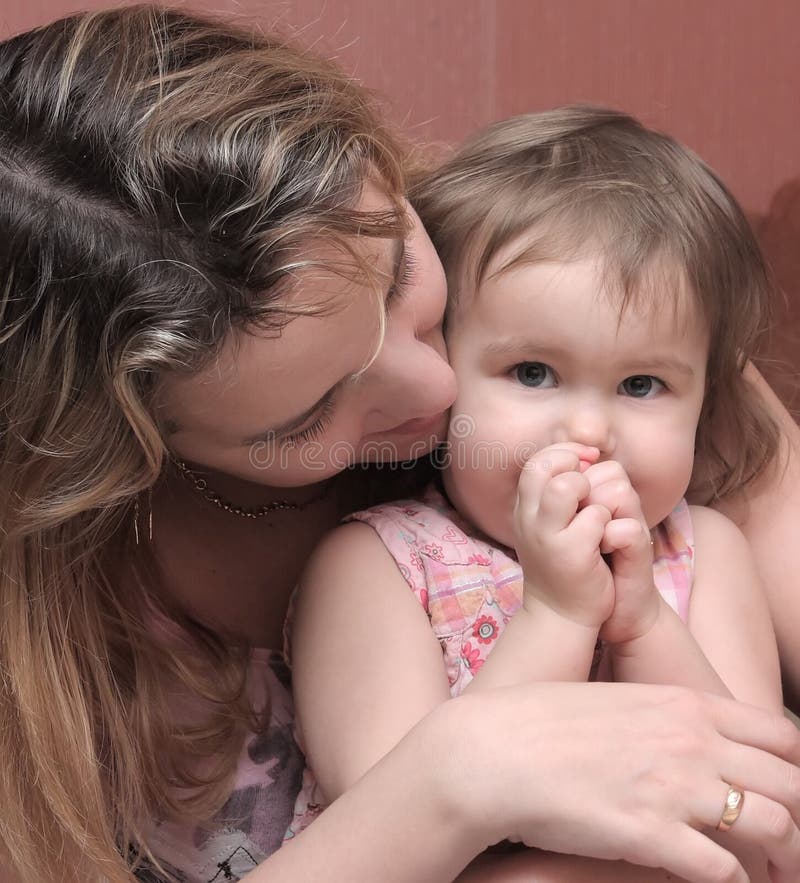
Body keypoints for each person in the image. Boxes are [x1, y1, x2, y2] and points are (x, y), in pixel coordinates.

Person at [1, 6, 800, 883]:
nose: (439, 386)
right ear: (137, 447)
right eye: (308, 414)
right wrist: (467, 763)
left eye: (397, 280)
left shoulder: (549, 263)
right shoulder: (372, 567)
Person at [289, 106, 790, 879]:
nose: (588, 428)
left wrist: (644, 622)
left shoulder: (703, 551)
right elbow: (404, 813)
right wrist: (558, 615)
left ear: (707, 404)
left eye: (642, 383)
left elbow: (760, 806)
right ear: (446, 363)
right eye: (532, 372)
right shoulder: (377, 564)